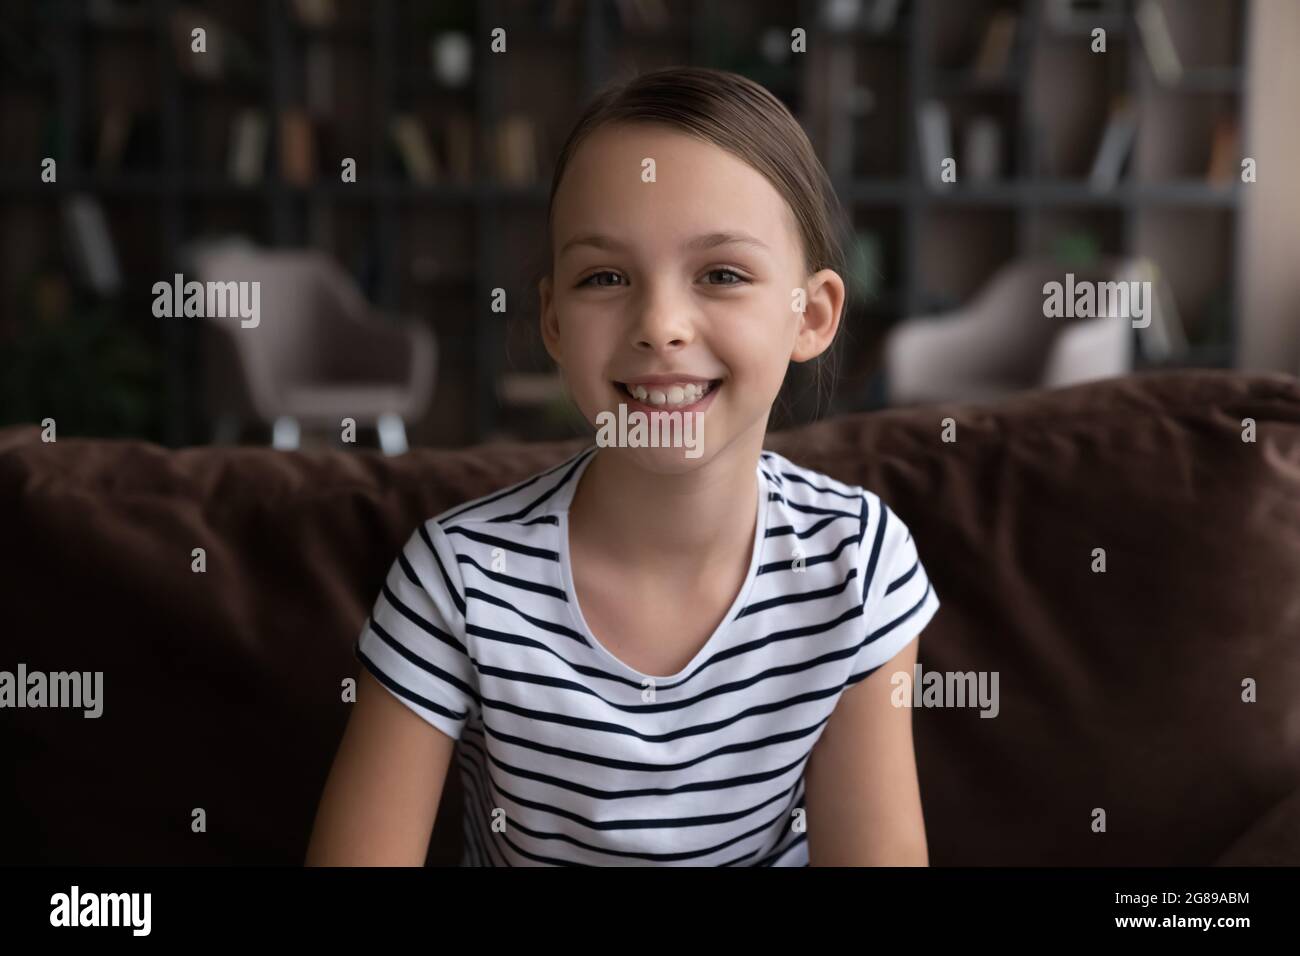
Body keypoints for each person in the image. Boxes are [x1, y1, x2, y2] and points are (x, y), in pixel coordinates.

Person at [307, 66, 940, 867]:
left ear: (809, 315)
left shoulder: (858, 563)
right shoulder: (458, 579)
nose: (661, 325)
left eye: (722, 275)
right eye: (605, 277)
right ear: (553, 322)